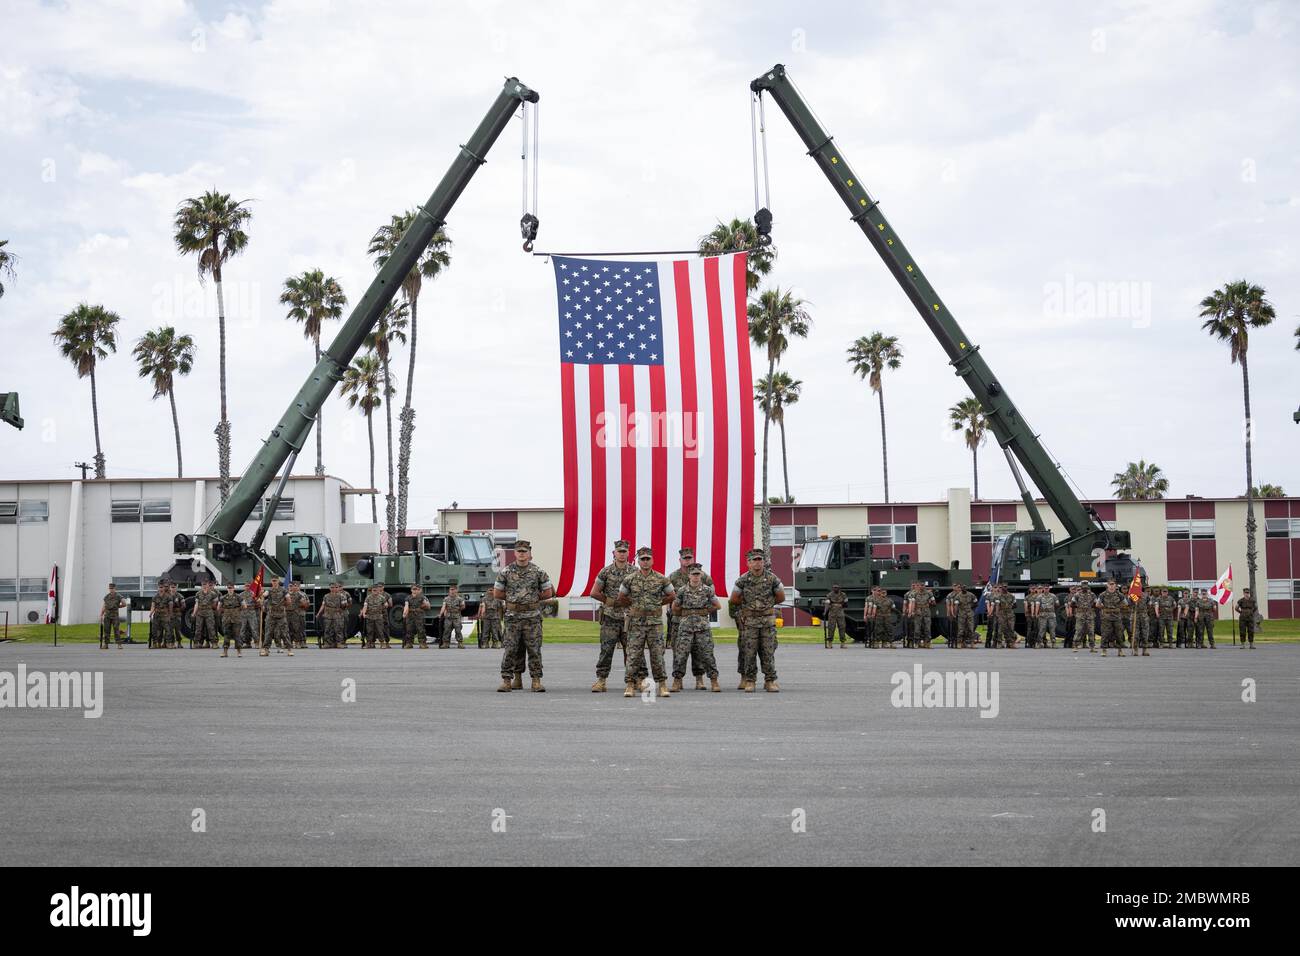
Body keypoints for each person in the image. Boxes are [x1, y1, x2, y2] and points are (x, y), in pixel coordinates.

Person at [494, 540, 553, 693]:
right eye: (519, 551)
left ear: (529, 553)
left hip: (532, 617)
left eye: (524, 551)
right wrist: (515, 598)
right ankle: (509, 680)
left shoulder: (538, 571)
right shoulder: (506, 572)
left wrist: (531, 599)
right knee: (511, 649)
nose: (522, 554)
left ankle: (536, 681)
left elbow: (548, 592)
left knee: (534, 649)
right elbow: (497, 593)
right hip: (512, 617)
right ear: (514, 553)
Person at [618, 547, 675, 698]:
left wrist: (658, 603)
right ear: (638, 561)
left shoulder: (661, 578)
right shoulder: (629, 579)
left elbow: (672, 595)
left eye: (647, 558)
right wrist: (633, 604)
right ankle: (630, 684)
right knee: (633, 655)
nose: (645, 561)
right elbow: (621, 596)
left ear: (652, 560)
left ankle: (662, 685)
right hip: (636, 623)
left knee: (657, 655)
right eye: (642, 559)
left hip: (654, 623)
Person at [730, 548, 785, 693]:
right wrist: (750, 607)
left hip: (767, 622)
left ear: (764, 562)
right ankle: (750, 681)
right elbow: (734, 598)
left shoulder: (772, 578)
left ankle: (770, 680)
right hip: (750, 623)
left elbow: (781, 596)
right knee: (749, 652)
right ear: (748, 563)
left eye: (760, 560)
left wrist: (766, 606)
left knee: (768, 651)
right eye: (754, 560)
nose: (757, 563)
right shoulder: (743, 580)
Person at [590, 540, 635, 692]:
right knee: (606, 650)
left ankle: (634, 680)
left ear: (629, 553)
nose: (622, 554)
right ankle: (601, 681)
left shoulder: (635, 572)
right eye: (619, 551)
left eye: (624, 551)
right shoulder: (606, 571)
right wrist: (610, 601)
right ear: (614, 553)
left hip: (630, 618)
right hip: (610, 617)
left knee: (632, 651)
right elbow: (594, 592)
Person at [670, 563, 721, 691]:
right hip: (686, 628)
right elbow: (674, 607)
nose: (696, 577)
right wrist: (685, 614)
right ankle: (677, 681)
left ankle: (714, 681)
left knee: (707, 654)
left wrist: (704, 612)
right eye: (693, 574)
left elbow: (717, 605)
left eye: (698, 574)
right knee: (681, 655)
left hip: (702, 627)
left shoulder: (707, 590)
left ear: (701, 575)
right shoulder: (682, 590)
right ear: (689, 575)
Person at [666, 547, 712, 684]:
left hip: (698, 620)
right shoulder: (673, 576)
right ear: (680, 560)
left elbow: (712, 595)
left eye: (689, 558)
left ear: (693, 559)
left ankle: (699, 678)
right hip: (678, 620)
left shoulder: (703, 576)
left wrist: (702, 612)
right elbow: (667, 595)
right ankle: (677, 679)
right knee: (678, 650)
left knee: (698, 650)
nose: (687, 561)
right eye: (685, 558)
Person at [261, 577, 292, 656]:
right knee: (268, 633)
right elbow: (265, 595)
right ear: (271, 581)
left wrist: (284, 604)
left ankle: (289, 649)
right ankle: (266, 650)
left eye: (275, 581)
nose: (274, 582)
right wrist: (262, 594)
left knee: (285, 632)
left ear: (278, 581)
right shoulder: (270, 590)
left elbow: (288, 600)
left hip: (281, 615)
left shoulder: (283, 590)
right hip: (271, 615)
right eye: (273, 581)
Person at [1097, 578, 1128, 656]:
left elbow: (1126, 604)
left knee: (1119, 634)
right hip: (1106, 617)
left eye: (1113, 584)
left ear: (1115, 585)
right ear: (1107, 585)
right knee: (1105, 633)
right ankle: (1104, 650)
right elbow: (1097, 604)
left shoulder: (1119, 594)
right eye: (1110, 584)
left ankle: (1120, 651)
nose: (1111, 586)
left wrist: (1118, 607)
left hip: (1117, 617)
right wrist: (1104, 608)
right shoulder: (1102, 594)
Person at [320, 581, 352, 649]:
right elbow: (324, 605)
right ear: (329, 588)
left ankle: (339, 643)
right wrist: (320, 613)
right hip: (328, 615)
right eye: (332, 587)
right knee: (328, 629)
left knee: (339, 629)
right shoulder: (326, 596)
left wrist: (342, 607)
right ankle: (328, 643)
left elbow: (344, 606)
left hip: (338, 615)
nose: (334, 589)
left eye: (336, 587)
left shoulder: (342, 596)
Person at [361, 584, 392, 649]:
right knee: (369, 631)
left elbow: (386, 604)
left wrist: (384, 606)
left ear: (378, 591)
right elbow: (365, 606)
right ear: (372, 591)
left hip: (378, 617)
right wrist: (364, 613)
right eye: (373, 590)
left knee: (380, 630)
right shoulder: (368, 597)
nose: (375, 592)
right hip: (370, 616)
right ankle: (369, 643)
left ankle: (382, 643)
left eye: (376, 590)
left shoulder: (382, 597)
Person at [947, 583, 976, 648]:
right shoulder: (958, 596)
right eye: (962, 588)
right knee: (961, 629)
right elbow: (956, 606)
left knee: (970, 628)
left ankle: (972, 643)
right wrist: (955, 613)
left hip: (969, 614)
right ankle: (959, 643)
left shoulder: (971, 595)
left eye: (964, 588)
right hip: (961, 614)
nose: (963, 589)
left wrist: (971, 608)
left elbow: (975, 602)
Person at [1069, 584, 1096, 653]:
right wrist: (1077, 609)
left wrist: (1090, 608)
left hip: (1090, 615)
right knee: (1078, 630)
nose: (1084, 588)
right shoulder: (1077, 595)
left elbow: (1096, 603)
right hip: (1080, 615)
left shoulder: (1092, 594)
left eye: (1086, 586)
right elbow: (1072, 604)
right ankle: (1075, 646)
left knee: (1091, 631)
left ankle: (1092, 647)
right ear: (1081, 587)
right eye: (1083, 586)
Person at [193, 580, 220, 650]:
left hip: (209, 612)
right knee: (198, 628)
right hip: (200, 613)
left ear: (208, 585)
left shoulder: (213, 594)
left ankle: (214, 643)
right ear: (201, 586)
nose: (204, 586)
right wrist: (194, 613)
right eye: (203, 585)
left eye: (206, 585)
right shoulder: (198, 594)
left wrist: (212, 608)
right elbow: (196, 604)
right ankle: (196, 643)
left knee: (211, 628)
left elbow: (215, 603)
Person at [99, 582, 127, 650]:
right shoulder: (107, 596)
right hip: (107, 615)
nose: (111, 589)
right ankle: (106, 644)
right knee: (106, 630)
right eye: (110, 588)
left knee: (116, 630)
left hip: (114, 615)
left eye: (112, 588)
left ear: (115, 588)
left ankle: (119, 644)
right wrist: (101, 614)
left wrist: (118, 606)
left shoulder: (118, 596)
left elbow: (124, 603)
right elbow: (104, 606)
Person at [403, 585, 431, 649]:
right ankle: (409, 643)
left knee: (421, 629)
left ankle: (422, 643)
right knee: (409, 629)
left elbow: (428, 606)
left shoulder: (422, 597)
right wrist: (404, 613)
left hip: (419, 615)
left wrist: (425, 604)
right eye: (413, 589)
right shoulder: (408, 598)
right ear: (411, 590)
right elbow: (406, 605)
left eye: (416, 589)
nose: (415, 591)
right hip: (410, 615)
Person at [439, 584, 466, 648]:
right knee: (447, 630)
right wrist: (440, 614)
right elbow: (443, 607)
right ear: (449, 591)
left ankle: (460, 643)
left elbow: (463, 606)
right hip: (448, 617)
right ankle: (446, 643)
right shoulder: (446, 599)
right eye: (451, 590)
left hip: (456, 616)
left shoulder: (460, 599)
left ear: (456, 590)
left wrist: (461, 606)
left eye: (453, 590)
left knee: (458, 630)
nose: (452, 591)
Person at [823, 584, 849, 648]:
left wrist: (844, 603)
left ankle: (843, 643)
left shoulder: (843, 594)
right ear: (832, 588)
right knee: (831, 627)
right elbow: (827, 604)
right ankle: (830, 642)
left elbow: (846, 604)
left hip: (840, 612)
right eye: (834, 588)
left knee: (842, 627)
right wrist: (825, 612)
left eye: (837, 587)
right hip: (832, 613)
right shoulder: (829, 595)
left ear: (839, 588)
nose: (835, 589)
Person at [219, 583, 242, 656]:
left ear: (233, 588)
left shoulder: (238, 597)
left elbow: (244, 606)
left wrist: (237, 610)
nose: (230, 589)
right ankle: (225, 652)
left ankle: (239, 651)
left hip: (236, 619)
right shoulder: (223, 598)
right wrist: (225, 611)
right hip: (226, 619)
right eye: (229, 588)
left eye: (231, 588)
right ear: (227, 589)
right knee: (226, 634)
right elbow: (218, 607)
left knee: (237, 635)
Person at [237, 584, 261, 651]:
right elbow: (238, 604)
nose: (247, 587)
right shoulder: (240, 595)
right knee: (242, 629)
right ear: (244, 587)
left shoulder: (253, 594)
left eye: (248, 586)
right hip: (243, 613)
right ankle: (242, 643)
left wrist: (257, 601)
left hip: (251, 613)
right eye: (246, 586)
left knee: (254, 628)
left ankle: (256, 642)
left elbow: (258, 603)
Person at [286, 580, 309, 649]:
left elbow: (307, 605)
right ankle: (289, 642)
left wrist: (303, 604)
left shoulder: (302, 594)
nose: (292, 587)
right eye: (290, 586)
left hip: (299, 613)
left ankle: (301, 642)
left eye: (295, 586)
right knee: (288, 629)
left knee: (299, 629)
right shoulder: (286, 594)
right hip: (288, 614)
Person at [149, 580, 171, 649]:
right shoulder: (155, 597)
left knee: (167, 630)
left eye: (162, 587)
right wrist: (151, 613)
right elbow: (153, 605)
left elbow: (170, 606)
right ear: (158, 588)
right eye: (160, 587)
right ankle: (155, 643)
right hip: (157, 615)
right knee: (154, 630)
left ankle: (167, 643)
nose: (161, 589)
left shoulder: (168, 597)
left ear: (164, 588)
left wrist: (169, 614)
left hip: (165, 615)